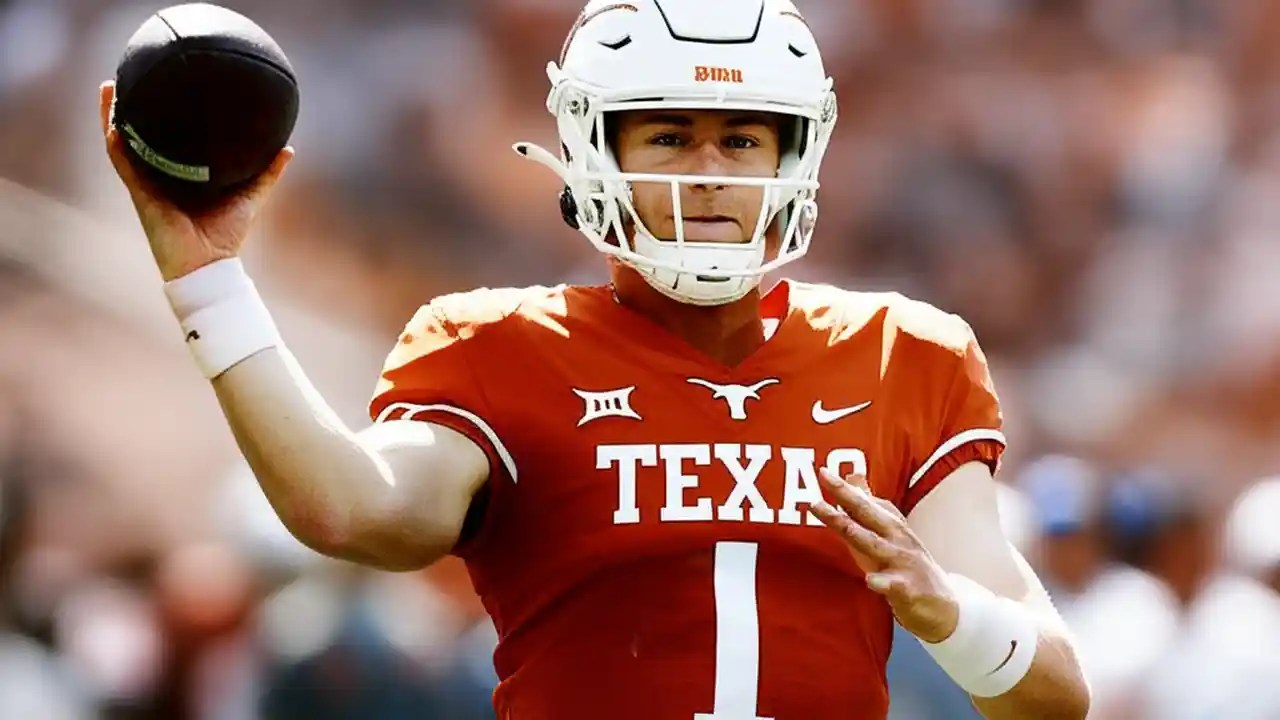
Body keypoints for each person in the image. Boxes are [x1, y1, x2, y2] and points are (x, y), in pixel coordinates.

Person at [100, 1, 1089, 717]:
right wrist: (210, 281)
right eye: (668, 135)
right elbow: (352, 509)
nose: (707, 176)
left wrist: (947, 608)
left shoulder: (905, 355)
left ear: (793, 157)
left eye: (742, 141)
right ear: (588, 147)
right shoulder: (497, 345)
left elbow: (1051, 694)